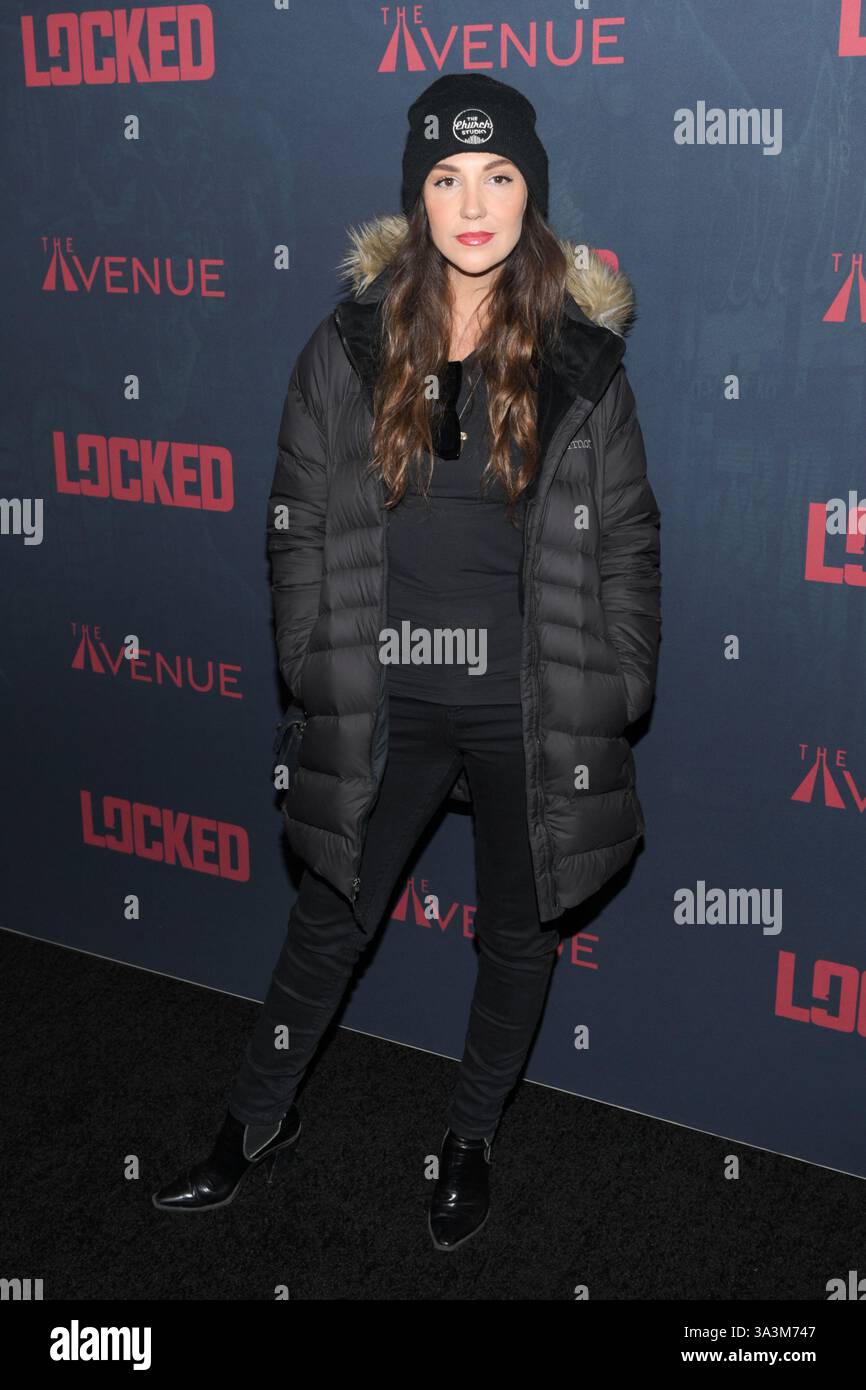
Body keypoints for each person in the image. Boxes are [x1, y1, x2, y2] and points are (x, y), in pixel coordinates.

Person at [152, 73, 661, 1251]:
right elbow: (296, 517)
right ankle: (250, 1123)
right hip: (388, 702)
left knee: (514, 935)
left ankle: (469, 1137)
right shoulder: (353, 346)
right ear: (414, 196)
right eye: (444, 177)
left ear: (528, 193)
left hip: (529, 704)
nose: (471, 202)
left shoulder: (577, 360)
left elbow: (627, 535)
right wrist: (310, 657)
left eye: (496, 176)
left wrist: (619, 680)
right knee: (329, 922)